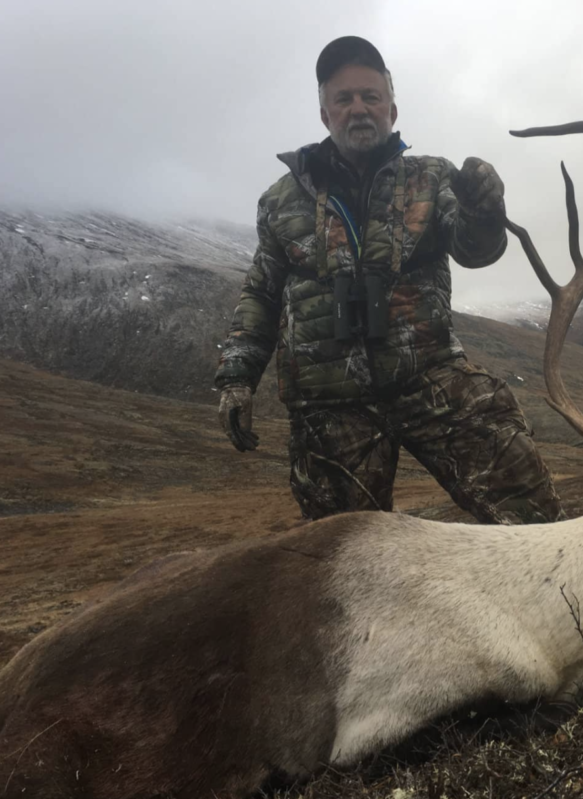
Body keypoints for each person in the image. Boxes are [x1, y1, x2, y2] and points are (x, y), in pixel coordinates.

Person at [214, 36, 562, 525]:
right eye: (344, 99)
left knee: (533, 513)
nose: (358, 108)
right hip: (329, 402)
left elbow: (475, 251)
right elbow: (262, 293)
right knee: (343, 551)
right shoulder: (280, 200)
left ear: (391, 110)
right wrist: (237, 378)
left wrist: (483, 211)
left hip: (430, 379)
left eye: (370, 97)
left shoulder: (433, 178)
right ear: (325, 115)